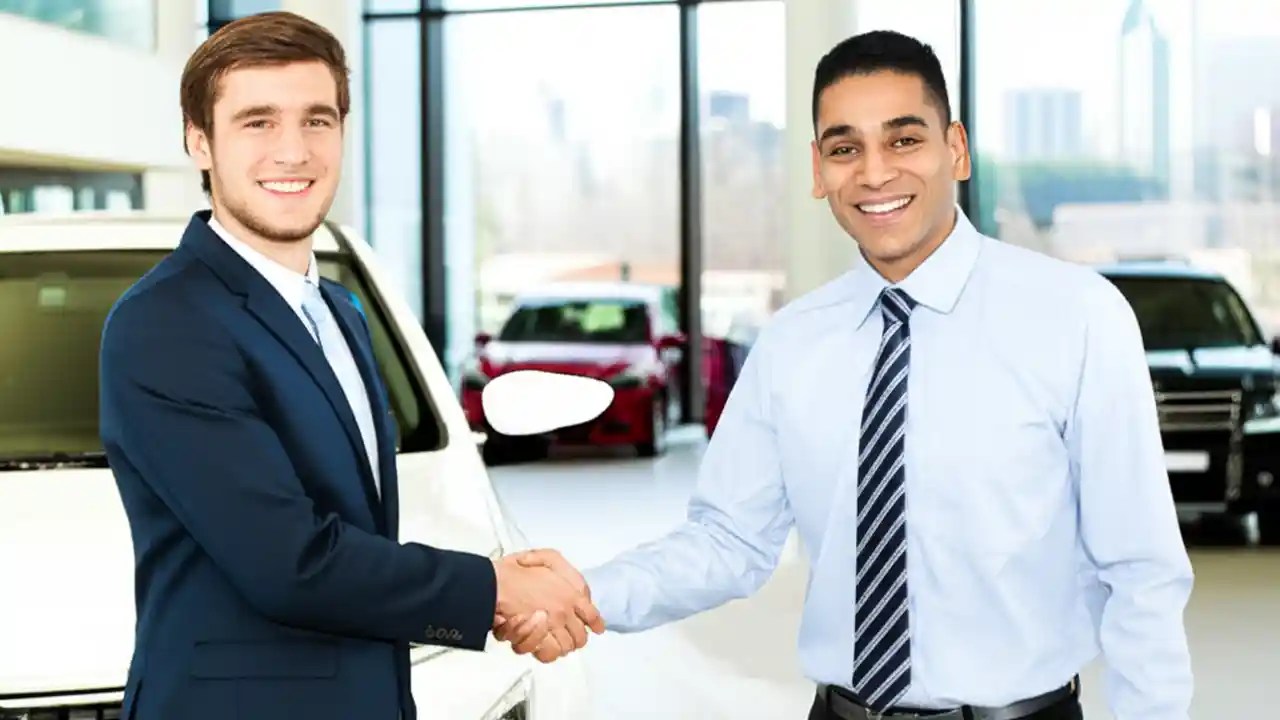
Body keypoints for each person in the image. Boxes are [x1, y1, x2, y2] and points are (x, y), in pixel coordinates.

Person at [499, 29, 1194, 720]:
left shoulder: (1075, 316)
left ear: (955, 149)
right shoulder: (792, 342)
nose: (874, 173)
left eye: (904, 140)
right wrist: (585, 592)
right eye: (844, 149)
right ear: (817, 169)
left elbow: (1140, 570)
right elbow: (729, 541)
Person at [98, 12, 601, 720]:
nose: (293, 151)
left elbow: (352, 537)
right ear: (199, 142)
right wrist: (495, 590)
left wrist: (494, 596)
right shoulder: (167, 323)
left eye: (317, 120)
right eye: (257, 122)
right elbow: (288, 563)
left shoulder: (341, 311)